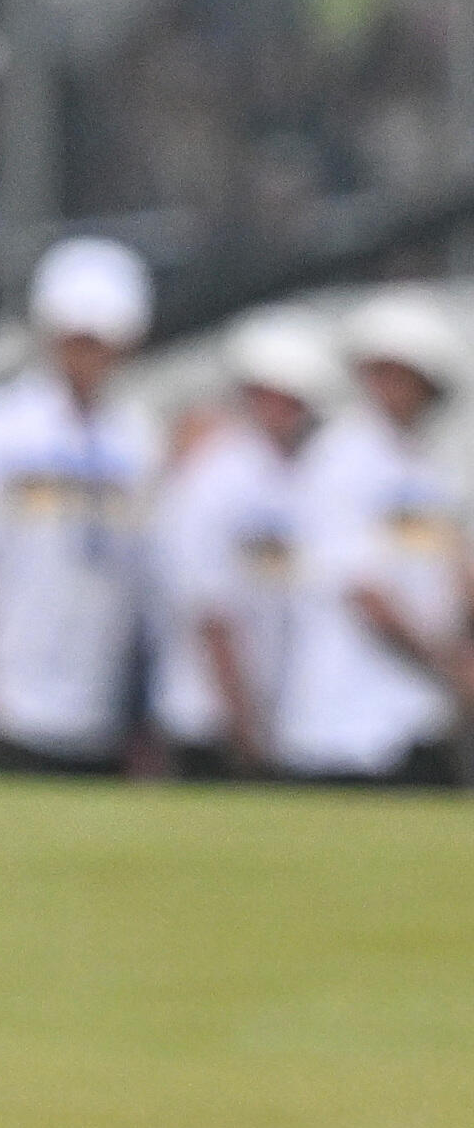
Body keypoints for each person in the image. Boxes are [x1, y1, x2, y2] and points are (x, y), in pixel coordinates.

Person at [0, 235, 156, 773]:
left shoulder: (138, 439)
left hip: (103, 707)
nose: (88, 355)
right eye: (77, 339)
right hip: (10, 703)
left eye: (102, 341)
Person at [274, 291, 474, 789]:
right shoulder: (342, 459)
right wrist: (450, 666)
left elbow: (455, 572)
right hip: (346, 717)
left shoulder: (427, 468)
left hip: (414, 711)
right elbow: (364, 593)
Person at [148, 314, 335, 779]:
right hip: (209, 716)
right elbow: (210, 611)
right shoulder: (218, 478)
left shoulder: (289, 478)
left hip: (263, 709)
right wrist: (243, 724)